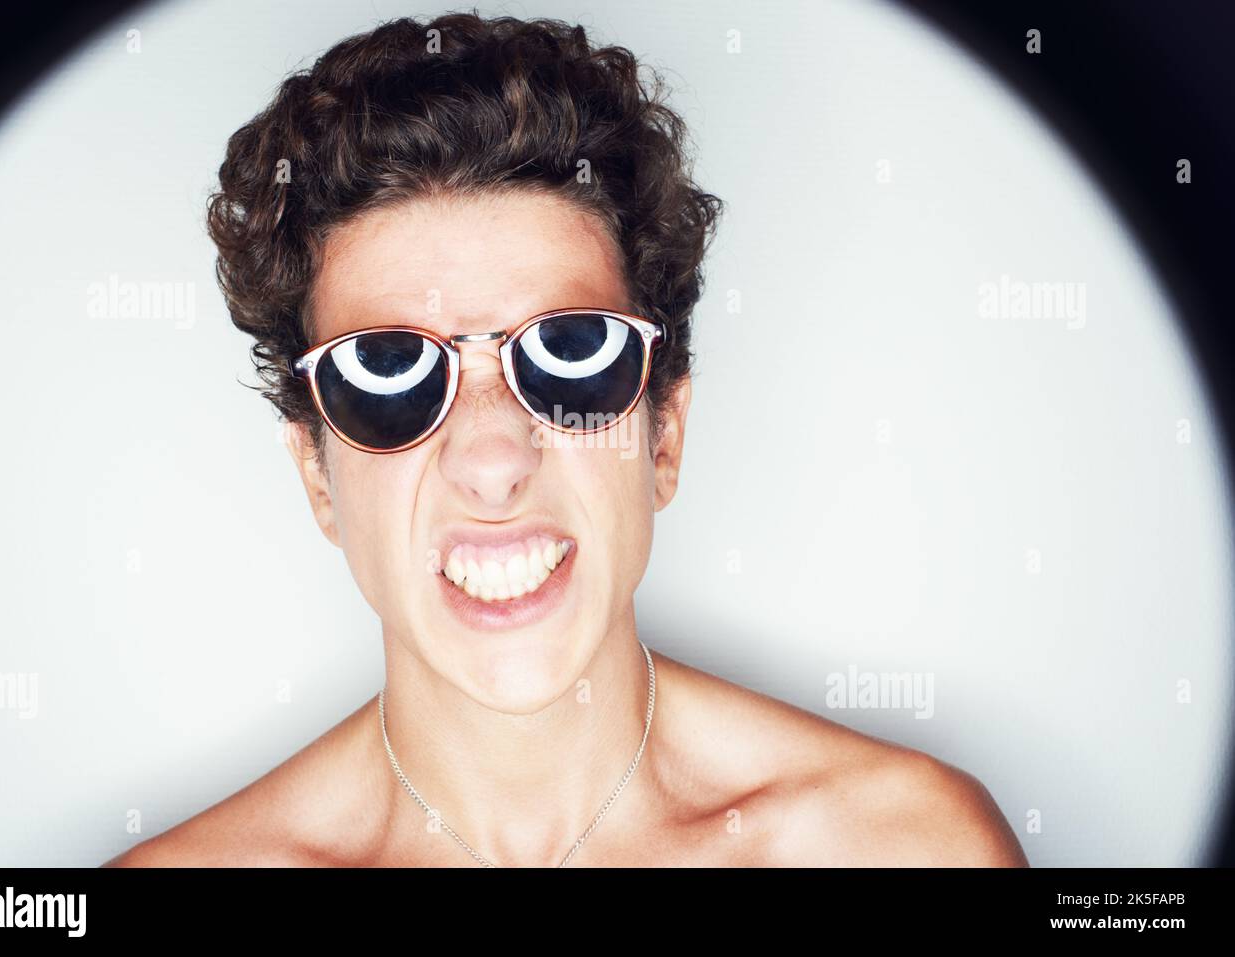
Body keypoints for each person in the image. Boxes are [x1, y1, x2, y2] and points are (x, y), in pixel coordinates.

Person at [105, 11, 1027, 867]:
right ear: (317, 474)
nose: (493, 459)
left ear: (663, 433)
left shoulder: (903, 849)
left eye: (570, 354)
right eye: (387, 371)